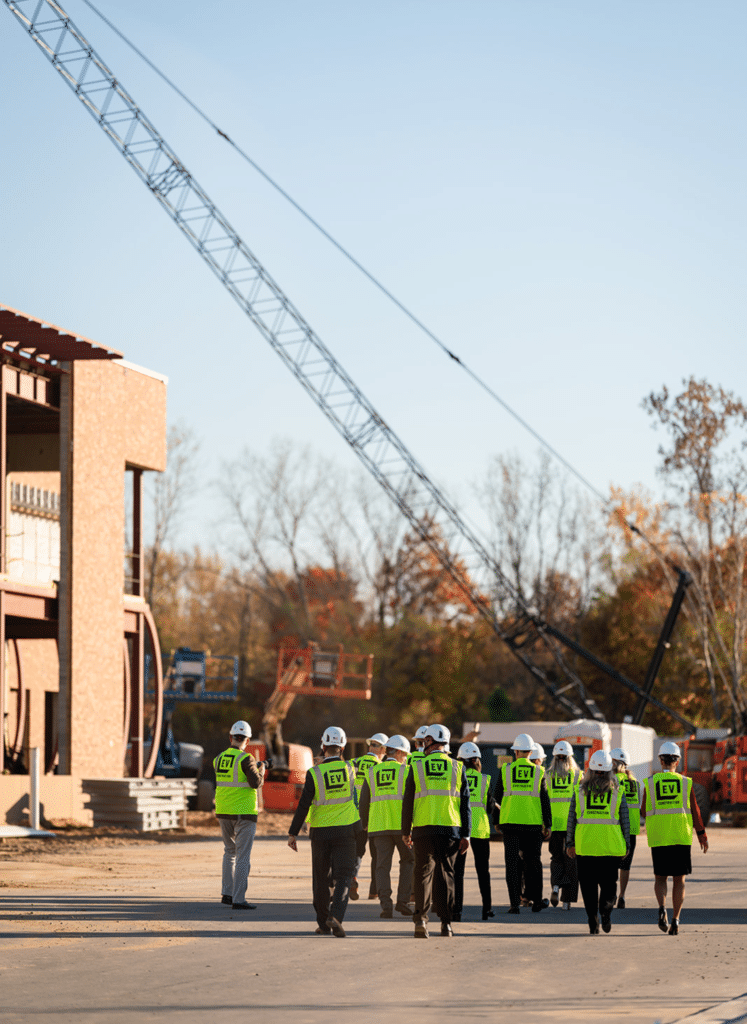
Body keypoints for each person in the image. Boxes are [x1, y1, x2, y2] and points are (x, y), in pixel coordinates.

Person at [287, 726, 361, 937]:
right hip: (346, 830)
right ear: (343, 746)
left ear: (323, 746)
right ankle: (336, 916)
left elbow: (304, 805)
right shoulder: (350, 769)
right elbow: (356, 800)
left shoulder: (314, 773)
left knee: (320, 878)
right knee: (344, 876)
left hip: (320, 832)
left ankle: (323, 923)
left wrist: (293, 833)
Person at [401, 723, 471, 938]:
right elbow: (465, 804)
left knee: (423, 875)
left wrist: (406, 830)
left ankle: (421, 921)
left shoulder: (417, 767)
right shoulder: (458, 767)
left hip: (423, 828)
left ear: (430, 742)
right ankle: (446, 923)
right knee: (446, 875)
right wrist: (466, 834)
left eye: (424, 742)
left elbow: (408, 801)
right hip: (450, 829)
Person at [640, 740, 708, 935]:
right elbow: (695, 811)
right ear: (677, 761)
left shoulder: (651, 783)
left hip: (659, 838)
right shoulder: (686, 783)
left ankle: (662, 909)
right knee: (680, 880)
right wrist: (702, 834)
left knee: (660, 878)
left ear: (661, 761)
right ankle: (676, 920)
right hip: (681, 837)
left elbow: (644, 811)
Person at [567, 749, 629, 934]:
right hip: (611, 847)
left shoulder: (579, 790)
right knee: (609, 886)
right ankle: (606, 912)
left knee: (588, 887)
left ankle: (593, 920)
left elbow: (572, 817)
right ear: (611, 770)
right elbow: (625, 818)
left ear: (590, 769)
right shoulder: (618, 790)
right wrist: (627, 843)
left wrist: (570, 842)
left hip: (585, 845)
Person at [359, 734, 414, 919]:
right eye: (405, 754)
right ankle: (403, 901)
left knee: (382, 866)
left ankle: (386, 905)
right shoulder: (406, 771)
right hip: (402, 827)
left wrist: (364, 822)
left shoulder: (372, 772)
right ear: (398, 752)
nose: (405, 758)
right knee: (408, 861)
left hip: (378, 826)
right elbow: (412, 800)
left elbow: (364, 800)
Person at [494, 733, 551, 913]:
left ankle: (514, 904)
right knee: (534, 863)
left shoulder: (505, 770)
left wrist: (496, 821)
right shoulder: (538, 772)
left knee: (512, 864)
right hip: (533, 824)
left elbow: (497, 797)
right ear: (531, 752)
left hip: (510, 823)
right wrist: (547, 824)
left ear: (516, 751)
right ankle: (536, 902)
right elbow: (544, 799)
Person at [213, 719, 265, 909]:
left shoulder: (218, 759)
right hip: (244, 814)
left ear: (231, 738)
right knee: (243, 857)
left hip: (224, 812)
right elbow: (255, 783)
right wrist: (262, 771)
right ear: (248, 741)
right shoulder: (246, 759)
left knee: (229, 852)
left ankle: (227, 894)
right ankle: (239, 899)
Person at [454, 741, 495, 921]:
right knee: (482, 871)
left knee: (458, 872)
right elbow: (491, 807)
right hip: (480, 829)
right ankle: (486, 909)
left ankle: (457, 911)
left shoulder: (455, 777)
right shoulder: (485, 779)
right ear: (477, 760)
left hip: (460, 828)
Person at [350, 732, 389, 900]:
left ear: (370, 746)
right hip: (374, 816)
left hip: (352, 815)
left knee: (356, 851)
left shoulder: (353, 763)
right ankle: (375, 890)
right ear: (384, 749)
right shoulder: (380, 767)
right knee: (377, 855)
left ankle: (352, 878)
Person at [546, 739, 581, 910]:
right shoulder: (577, 775)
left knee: (556, 859)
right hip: (571, 825)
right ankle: (566, 901)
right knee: (571, 862)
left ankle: (555, 886)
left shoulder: (548, 774)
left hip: (554, 824)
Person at [611, 747, 640, 909]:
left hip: (616, 827)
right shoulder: (634, 783)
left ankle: (613, 893)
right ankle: (622, 895)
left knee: (613, 862)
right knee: (625, 865)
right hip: (633, 829)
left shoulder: (612, 780)